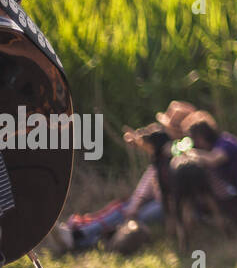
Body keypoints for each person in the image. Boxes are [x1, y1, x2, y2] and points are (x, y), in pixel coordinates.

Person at [53, 100, 195, 253]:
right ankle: (80, 236)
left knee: (130, 214)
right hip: (160, 199)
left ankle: (79, 237)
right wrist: (136, 202)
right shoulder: (165, 154)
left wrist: (136, 204)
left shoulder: (178, 153)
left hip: (171, 203)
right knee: (122, 208)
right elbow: (148, 184)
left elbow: (158, 188)